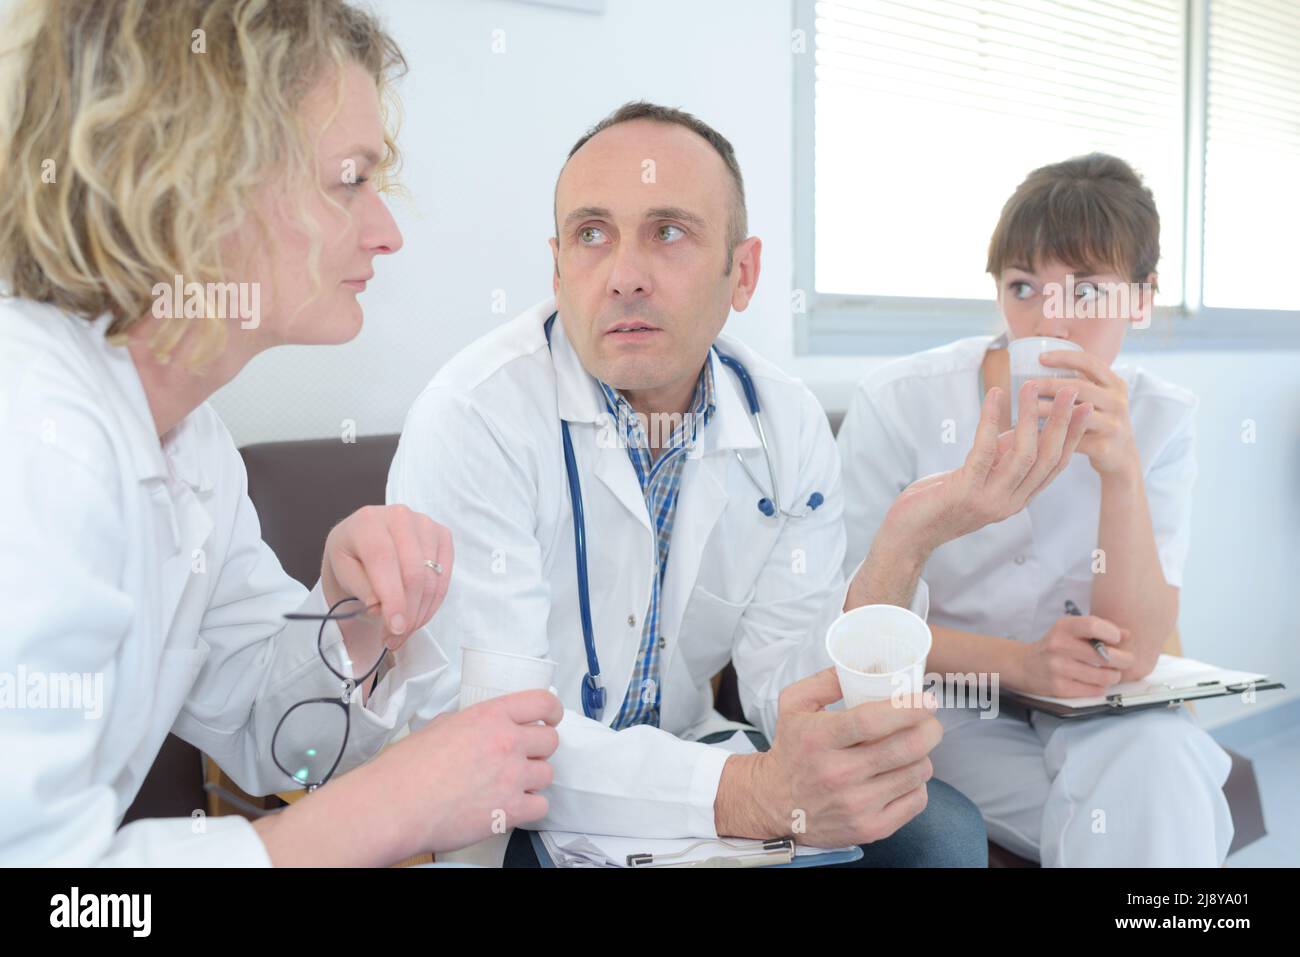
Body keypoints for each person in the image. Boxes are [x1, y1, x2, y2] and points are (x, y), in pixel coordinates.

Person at [387, 101, 1092, 866]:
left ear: (743, 272)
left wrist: (904, 543)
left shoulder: (783, 422)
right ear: (558, 269)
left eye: (668, 232)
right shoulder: (475, 418)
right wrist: (750, 791)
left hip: (690, 763)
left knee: (937, 834)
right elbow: (491, 739)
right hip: (509, 804)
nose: (624, 275)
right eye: (592, 235)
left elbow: (789, 688)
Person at [0, 0, 560, 866]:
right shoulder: (33, 435)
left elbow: (278, 740)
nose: (387, 231)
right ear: (190, 174)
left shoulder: (188, 443)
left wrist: (349, 617)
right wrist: (395, 807)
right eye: (349, 179)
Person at [838, 153, 1233, 866]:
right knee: (1160, 808)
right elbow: (853, 619)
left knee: (1165, 755)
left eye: (1087, 292)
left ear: (1143, 297)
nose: (1051, 320)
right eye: (1024, 287)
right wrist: (1018, 665)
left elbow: (1137, 649)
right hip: (951, 701)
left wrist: (1121, 471)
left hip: (1097, 704)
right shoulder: (900, 402)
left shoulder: (1162, 419)